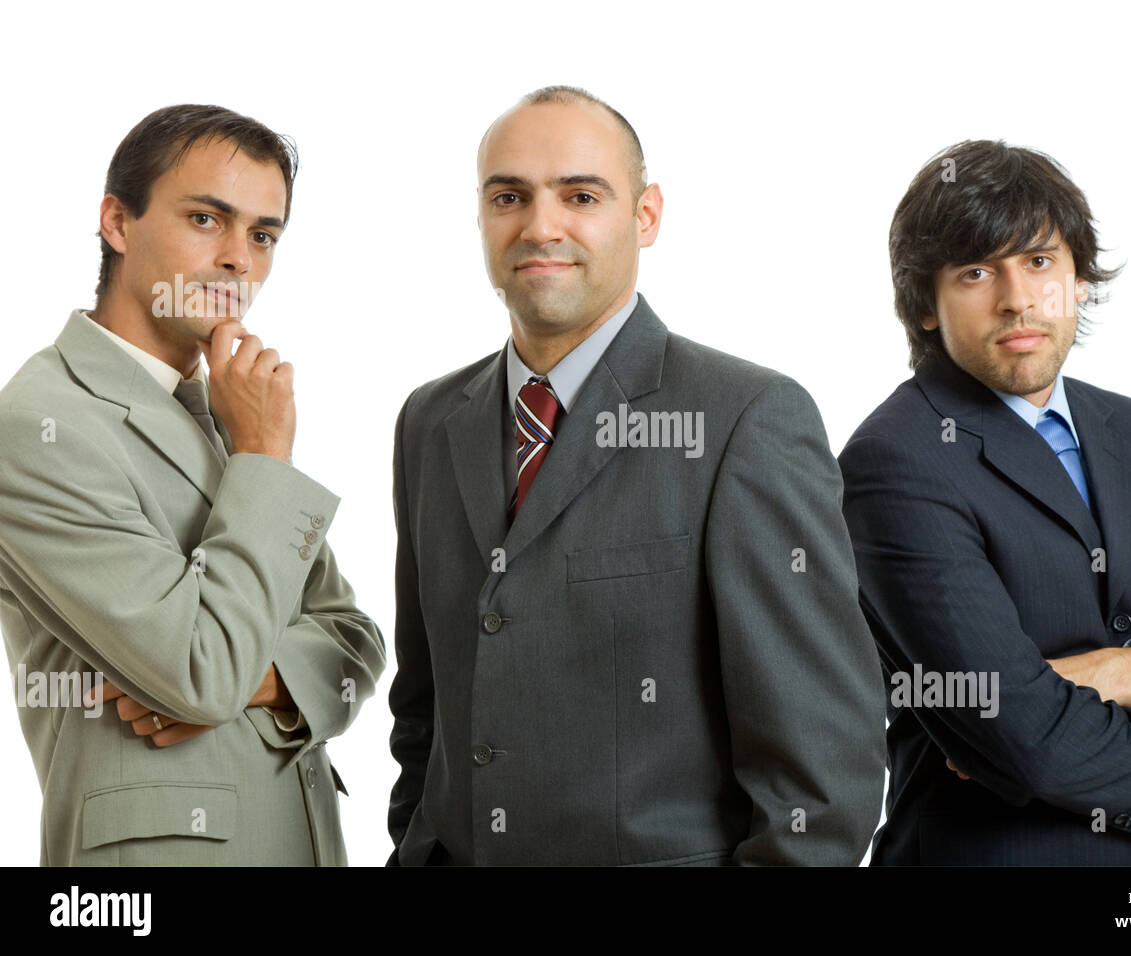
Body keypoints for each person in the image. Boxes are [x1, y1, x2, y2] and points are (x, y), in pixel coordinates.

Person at [387, 86, 886, 865]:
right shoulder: (428, 420)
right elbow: (424, 708)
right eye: (509, 196)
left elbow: (822, 773)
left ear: (646, 215)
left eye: (580, 195)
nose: (540, 225)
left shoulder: (745, 419)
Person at [838, 139, 1131, 865]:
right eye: (976, 271)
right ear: (926, 306)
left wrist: (1121, 670)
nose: (1018, 299)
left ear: (1079, 278)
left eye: (1040, 261)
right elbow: (1026, 746)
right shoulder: (896, 462)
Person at [0, 104, 385, 865]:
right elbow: (199, 672)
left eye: (264, 235)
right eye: (208, 219)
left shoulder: (226, 414)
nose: (241, 259)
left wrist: (267, 678)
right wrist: (266, 459)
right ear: (117, 221)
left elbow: (354, 640)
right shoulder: (38, 426)